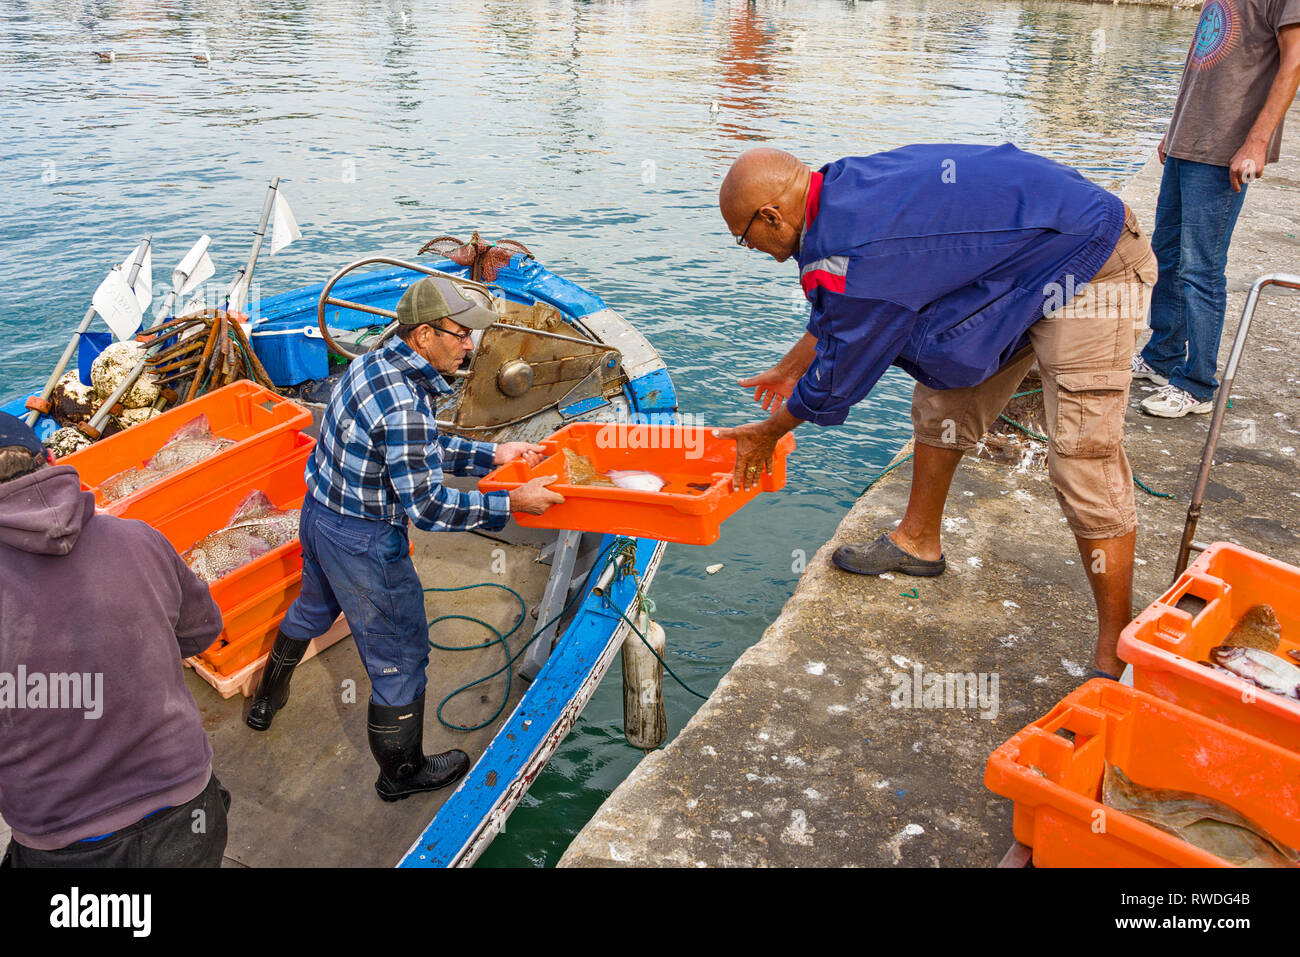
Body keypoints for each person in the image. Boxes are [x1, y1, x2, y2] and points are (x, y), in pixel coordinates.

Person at [716, 145, 1156, 679]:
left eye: (746, 239)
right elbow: (844, 305)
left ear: (771, 216)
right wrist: (790, 369)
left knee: (1082, 456)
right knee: (945, 389)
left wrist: (769, 432)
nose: (753, 248)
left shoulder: (859, 243)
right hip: (1021, 260)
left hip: (1094, 261)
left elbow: (839, 375)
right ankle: (918, 541)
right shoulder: (831, 194)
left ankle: (1117, 651)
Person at [245, 275, 564, 802]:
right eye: (460, 333)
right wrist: (514, 502)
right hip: (366, 542)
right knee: (400, 657)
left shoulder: (376, 358)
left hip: (321, 515)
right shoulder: (405, 403)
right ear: (422, 336)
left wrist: (493, 456)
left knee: (311, 608)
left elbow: (414, 445)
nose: (471, 345)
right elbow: (430, 507)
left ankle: (264, 705)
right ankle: (401, 775)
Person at [0, 412, 228, 867]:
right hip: (186, 807)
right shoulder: (138, 536)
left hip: (61, 836)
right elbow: (202, 630)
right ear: (50, 459)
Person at [1134, 1, 1300, 417]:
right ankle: (1162, 357)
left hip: (1225, 149)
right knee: (1166, 256)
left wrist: (1257, 142)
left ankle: (1197, 384)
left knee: (1201, 269)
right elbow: (1201, 65)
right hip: (1187, 142)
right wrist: (1173, 131)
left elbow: (1294, 60)